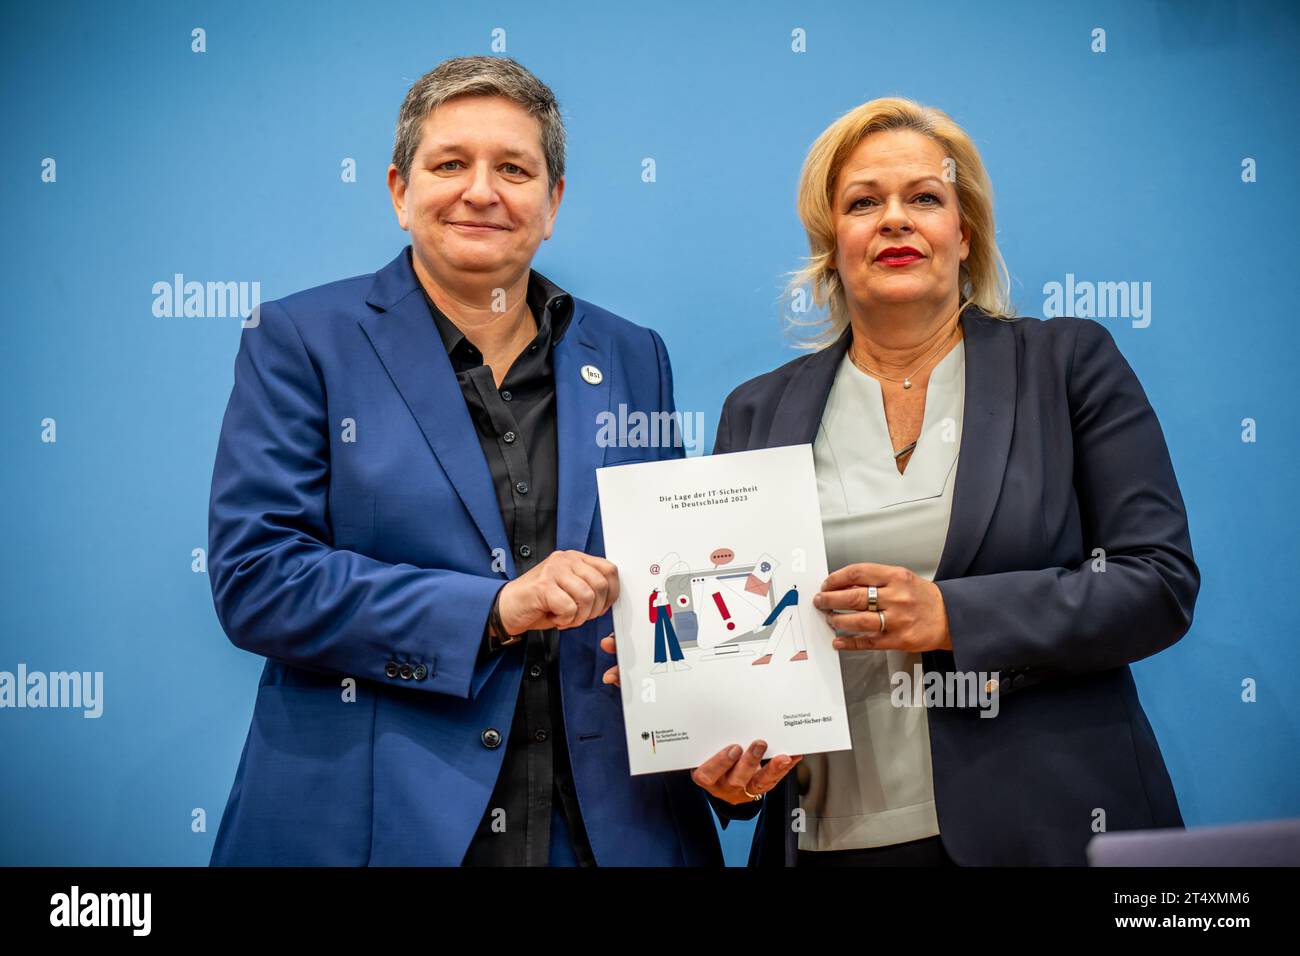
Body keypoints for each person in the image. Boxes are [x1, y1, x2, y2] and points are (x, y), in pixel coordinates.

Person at [607, 96, 1198, 866]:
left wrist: (953, 615)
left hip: (1046, 827)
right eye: (863, 203)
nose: (894, 219)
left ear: (965, 232)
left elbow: (1157, 584)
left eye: (925, 197)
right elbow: (735, 631)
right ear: (832, 242)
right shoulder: (756, 410)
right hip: (826, 837)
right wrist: (710, 730)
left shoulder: (1066, 365)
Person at [206, 56, 721, 866]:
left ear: (551, 204)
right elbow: (258, 580)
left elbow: (670, 584)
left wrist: (723, 736)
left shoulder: (630, 355)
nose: (482, 190)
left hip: (607, 830)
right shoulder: (303, 341)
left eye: (514, 169)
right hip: (383, 823)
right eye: (451, 164)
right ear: (398, 191)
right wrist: (495, 609)